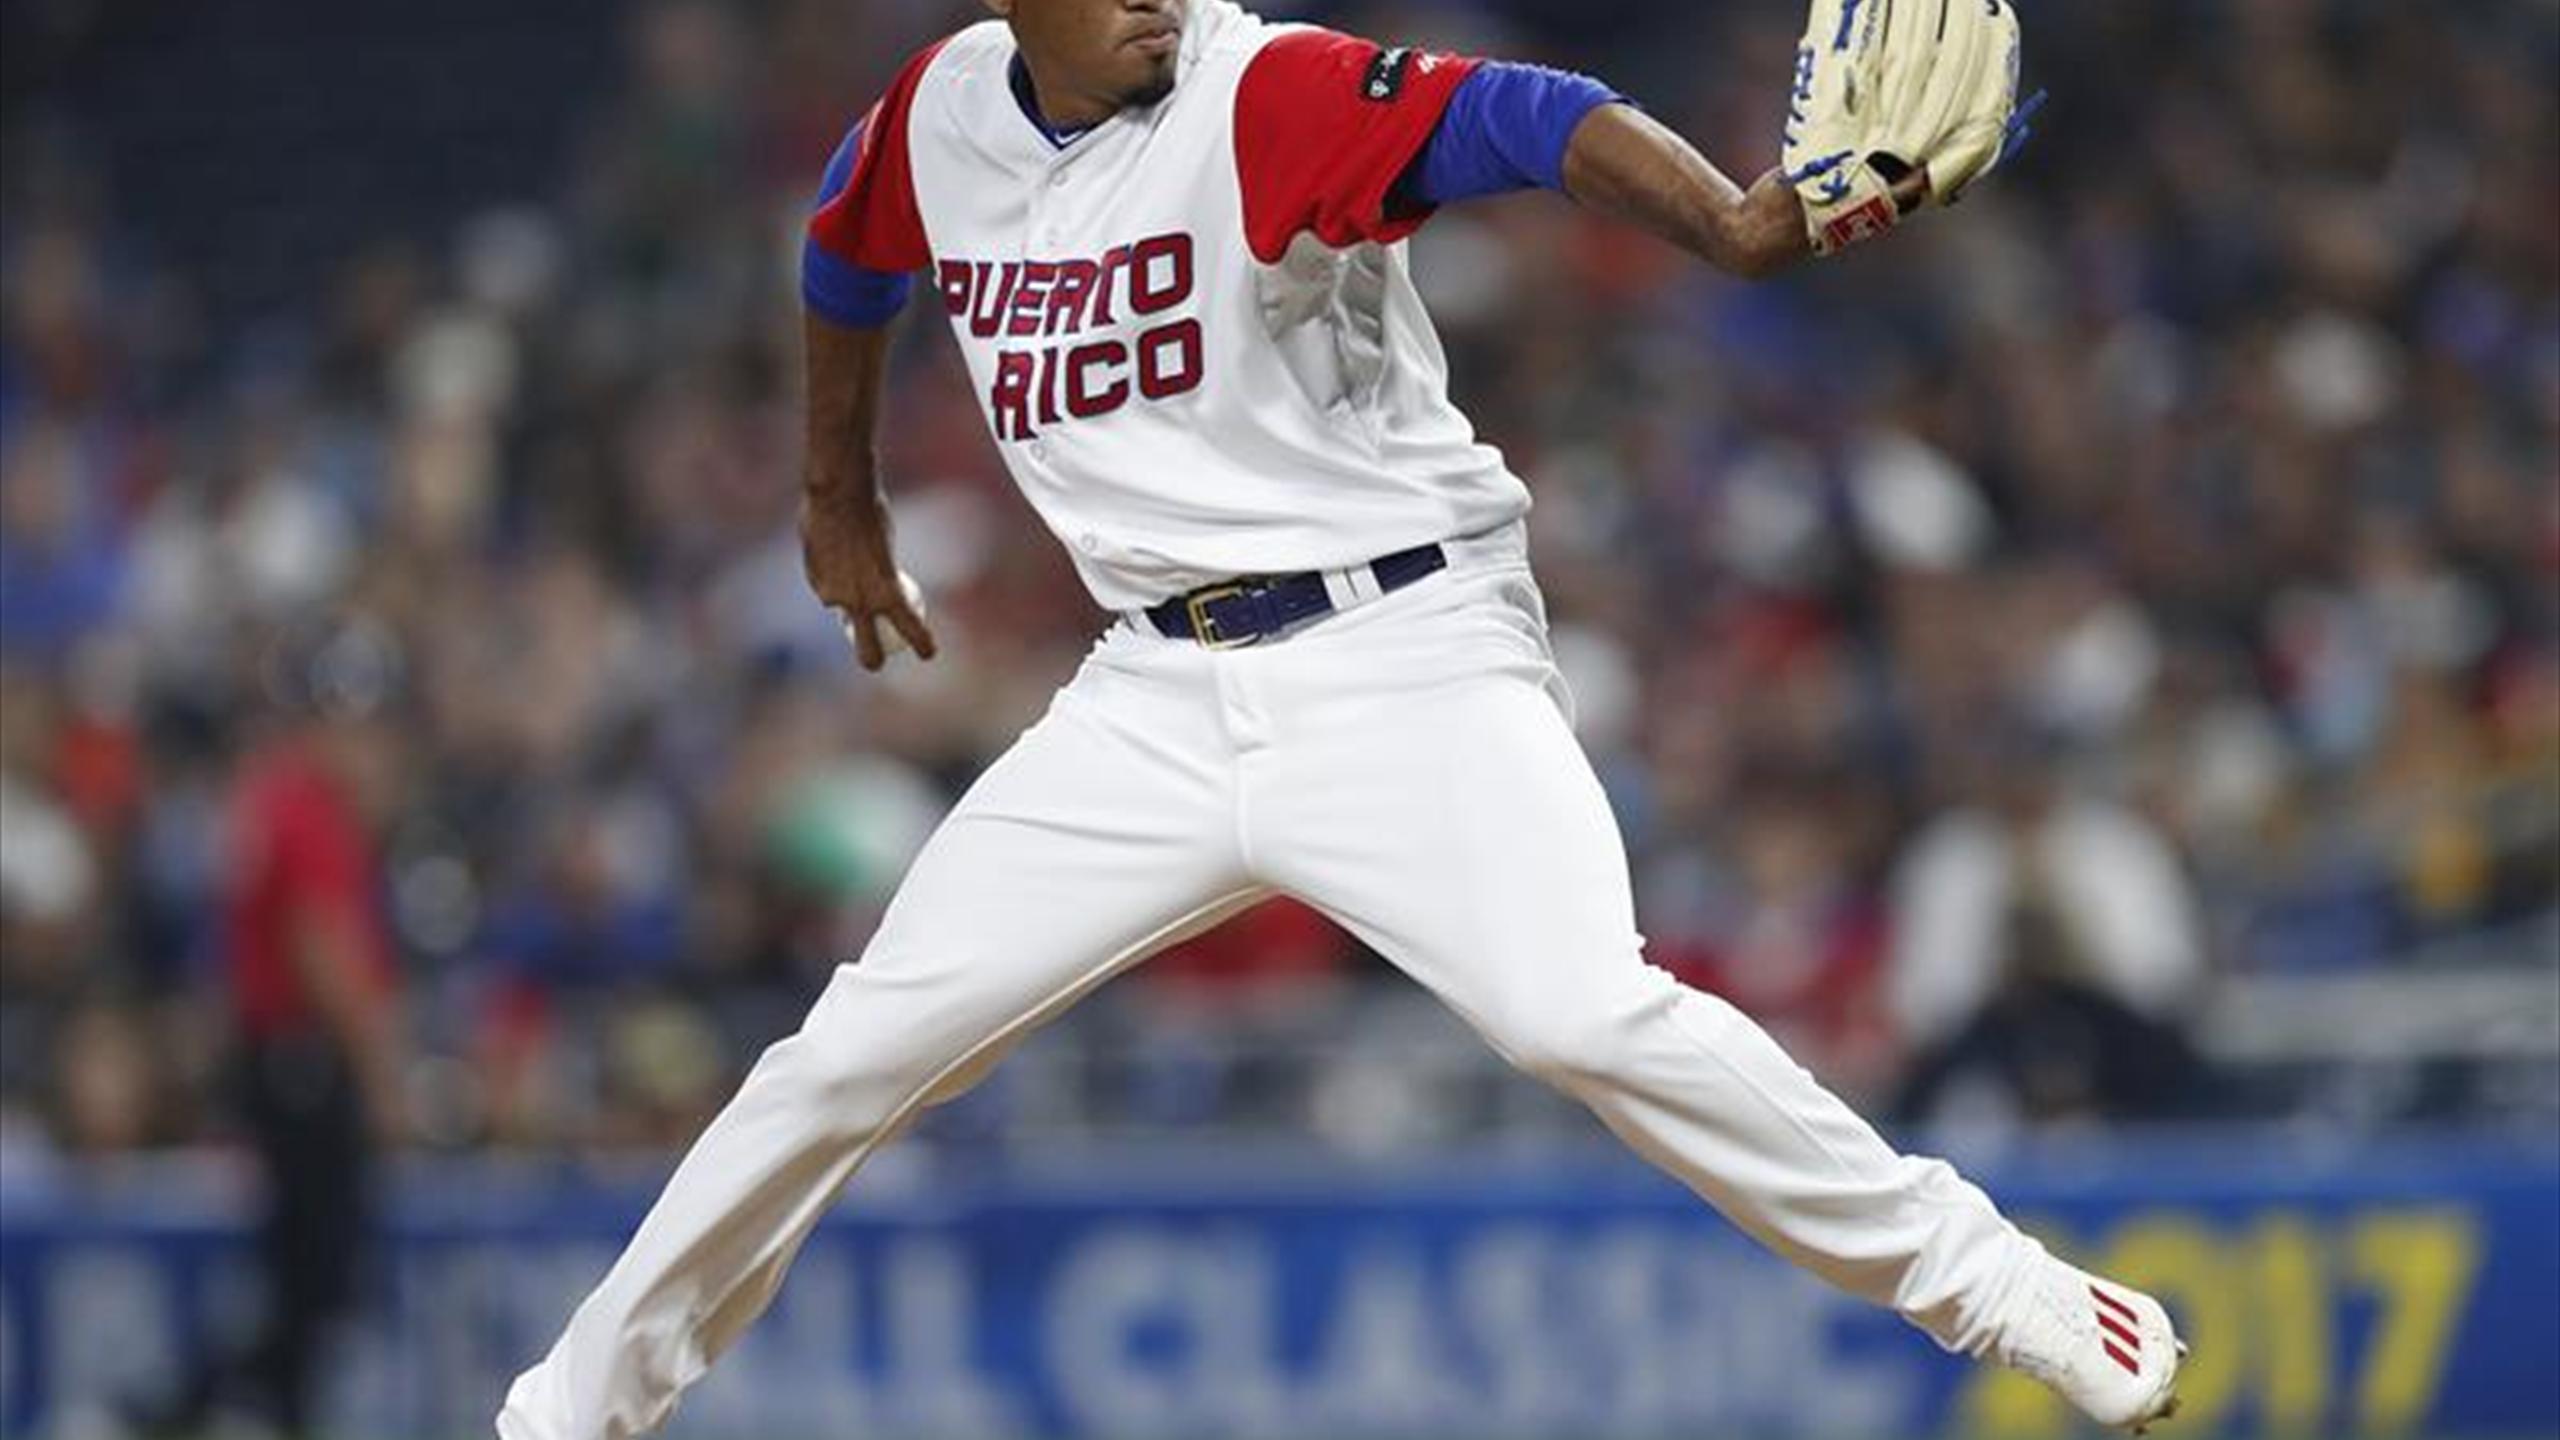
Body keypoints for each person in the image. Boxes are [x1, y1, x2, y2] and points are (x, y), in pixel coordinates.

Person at [501, 2, 2185, 1435]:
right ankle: (565, 1414)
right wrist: (830, 491)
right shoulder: (940, 116)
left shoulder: (1257, 91)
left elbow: (1525, 118)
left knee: (1579, 1016)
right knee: (844, 1056)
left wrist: (1738, 222)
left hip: (1406, 652)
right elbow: (848, 242)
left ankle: (2000, 1289)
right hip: (1153, 694)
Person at [141, 623, 409, 1439]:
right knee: (316, 1280)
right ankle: (172, 1415)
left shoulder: (275, 796)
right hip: (304, 1067)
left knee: (302, 1281)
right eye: (350, 723)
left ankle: (206, 1414)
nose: (366, 745)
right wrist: (384, 1080)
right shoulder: (305, 808)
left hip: (274, 1062)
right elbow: (324, 957)